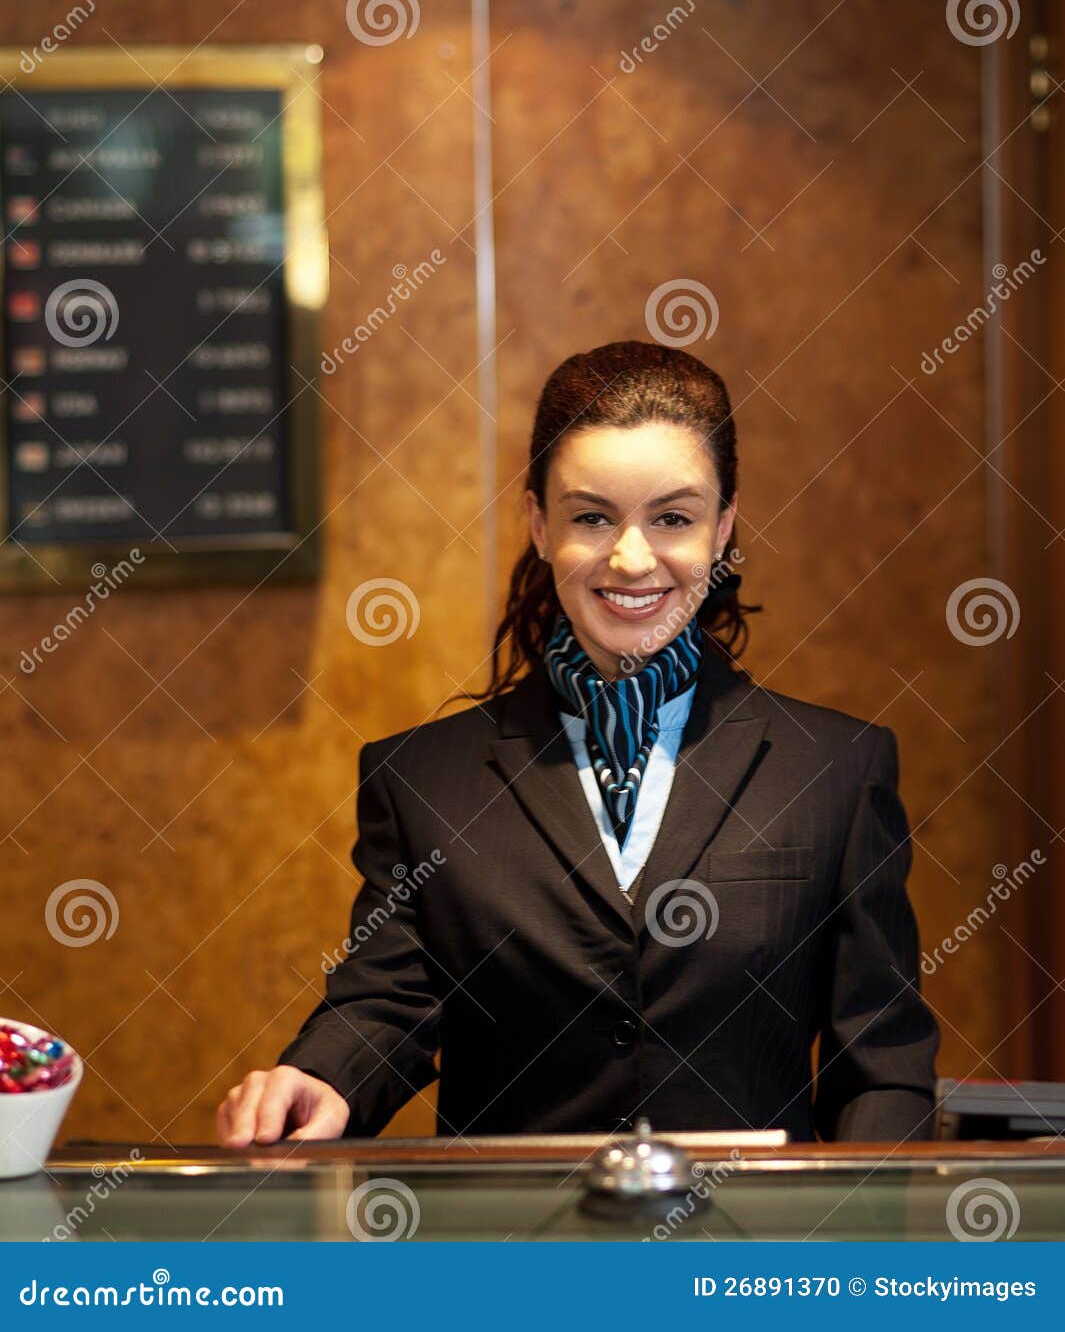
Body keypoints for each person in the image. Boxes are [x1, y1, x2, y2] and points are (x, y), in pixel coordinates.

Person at [216, 340, 939, 1147]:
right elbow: (390, 999)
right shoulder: (421, 778)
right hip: (512, 1255)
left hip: (745, 1259)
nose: (632, 558)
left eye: (673, 517)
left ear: (722, 527)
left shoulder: (836, 770)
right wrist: (318, 1077)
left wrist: (866, 1238)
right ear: (537, 523)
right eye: (591, 517)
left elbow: (880, 1064)